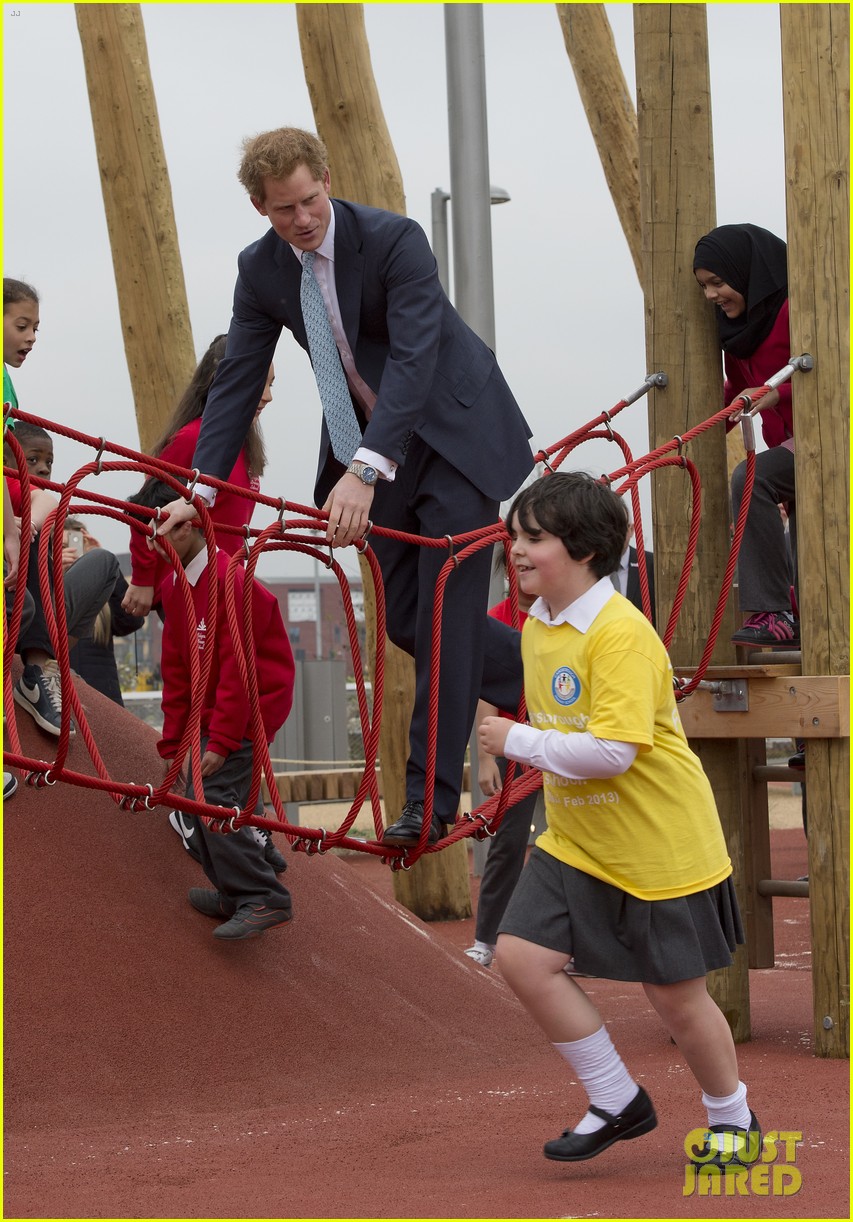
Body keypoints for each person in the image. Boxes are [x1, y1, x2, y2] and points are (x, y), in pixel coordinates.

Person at [154, 126, 533, 847]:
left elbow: (416, 358)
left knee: (450, 612)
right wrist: (199, 490)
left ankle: (427, 803)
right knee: (403, 620)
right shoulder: (261, 269)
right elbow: (235, 381)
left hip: (449, 435)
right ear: (260, 210)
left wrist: (364, 469)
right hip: (366, 438)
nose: (301, 219)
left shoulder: (393, 239)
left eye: (309, 199)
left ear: (326, 177)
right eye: (282, 210)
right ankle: (545, 677)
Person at [478, 473, 759, 1170]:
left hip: (655, 844)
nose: (514, 550)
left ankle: (731, 1116)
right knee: (519, 956)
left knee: (675, 999)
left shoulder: (619, 634)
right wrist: (512, 742)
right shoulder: (539, 622)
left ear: (583, 550)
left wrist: (512, 740)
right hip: (577, 839)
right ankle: (615, 1098)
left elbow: (610, 751)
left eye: (532, 538)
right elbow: (559, 727)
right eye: (514, 535)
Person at [133, 479, 295, 940]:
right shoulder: (177, 586)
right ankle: (234, 887)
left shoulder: (233, 582)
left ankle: (264, 895)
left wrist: (222, 740)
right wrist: (173, 737)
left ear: (185, 527)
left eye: (157, 529)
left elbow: (238, 672)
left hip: (249, 710)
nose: (151, 542)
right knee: (194, 803)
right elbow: (178, 670)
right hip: (215, 713)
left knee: (212, 802)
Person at [693, 224, 797, 649]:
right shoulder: (737, 332)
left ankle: (774, 611)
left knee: (752, 478)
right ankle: (800, 612)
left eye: (718, 283)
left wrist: (776, 393)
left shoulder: (795, 307)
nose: (711, 295)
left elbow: (829, 367)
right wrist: (701, 422)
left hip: (830, 435)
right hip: (791, 444)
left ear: (748, 272)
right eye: (704, 286)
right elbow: (735, 391)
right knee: (801, 522)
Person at [122, 335, 274, 618]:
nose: (268, 396)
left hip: (223, 583)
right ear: (225, 381)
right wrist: (142, 579)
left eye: (270, 384)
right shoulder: (193, 439)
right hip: (191, 586)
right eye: (259, 382)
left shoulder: (240, 444)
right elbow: (145, 508)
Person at [6, 421, 120, 737]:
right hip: (15, 606)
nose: (43, 469)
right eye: (32, 460)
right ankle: (37, 669)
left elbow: (46, 502)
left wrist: (23, 526)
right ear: (8, 459)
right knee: (27, 544)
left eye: (49, 462)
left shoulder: (28, 500)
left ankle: (51, 665)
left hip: (41, 614)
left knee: (103, 562)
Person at [62, 518, 144, 706]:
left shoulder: (98, 589)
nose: (70, 552)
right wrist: (53, 571)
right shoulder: (44, 584)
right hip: (62, 695)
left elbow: (132, 621)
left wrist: (106, 569)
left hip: (102, 694)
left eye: (74, 545)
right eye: (61, 546)